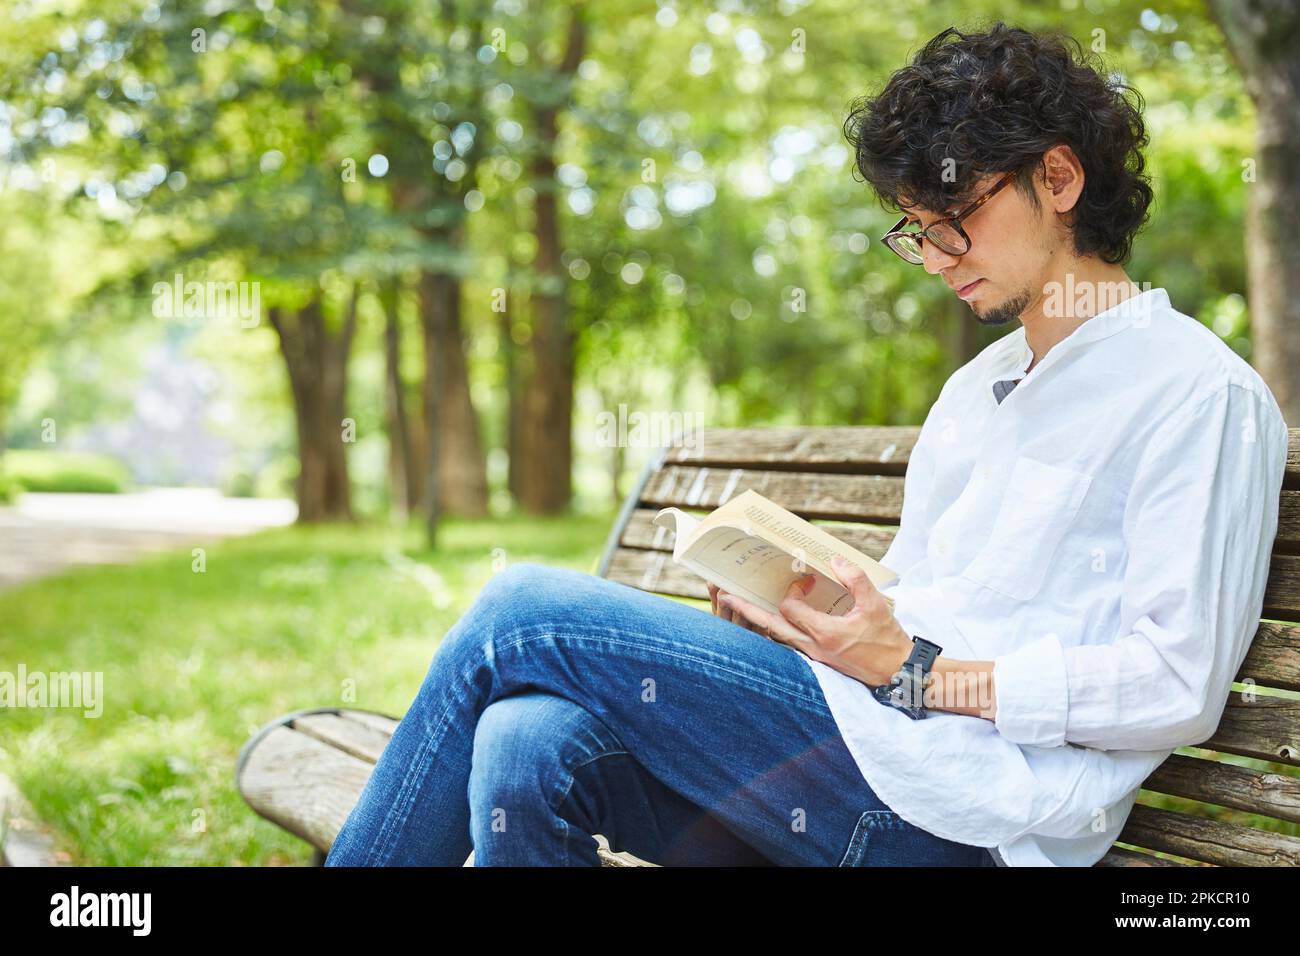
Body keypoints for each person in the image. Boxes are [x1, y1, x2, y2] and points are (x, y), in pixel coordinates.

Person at [325, 23, 1288, 868]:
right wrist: (806, 616)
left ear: (1061, 177)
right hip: (858, 761)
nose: (937, 257)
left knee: (517, 611)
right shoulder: (980, 391)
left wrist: (914, 672)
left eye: (953, 222)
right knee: (527, 745)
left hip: (970, 821)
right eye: (914, 233)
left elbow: (1174, 684)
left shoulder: (1195, 394)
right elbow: (917, 599)